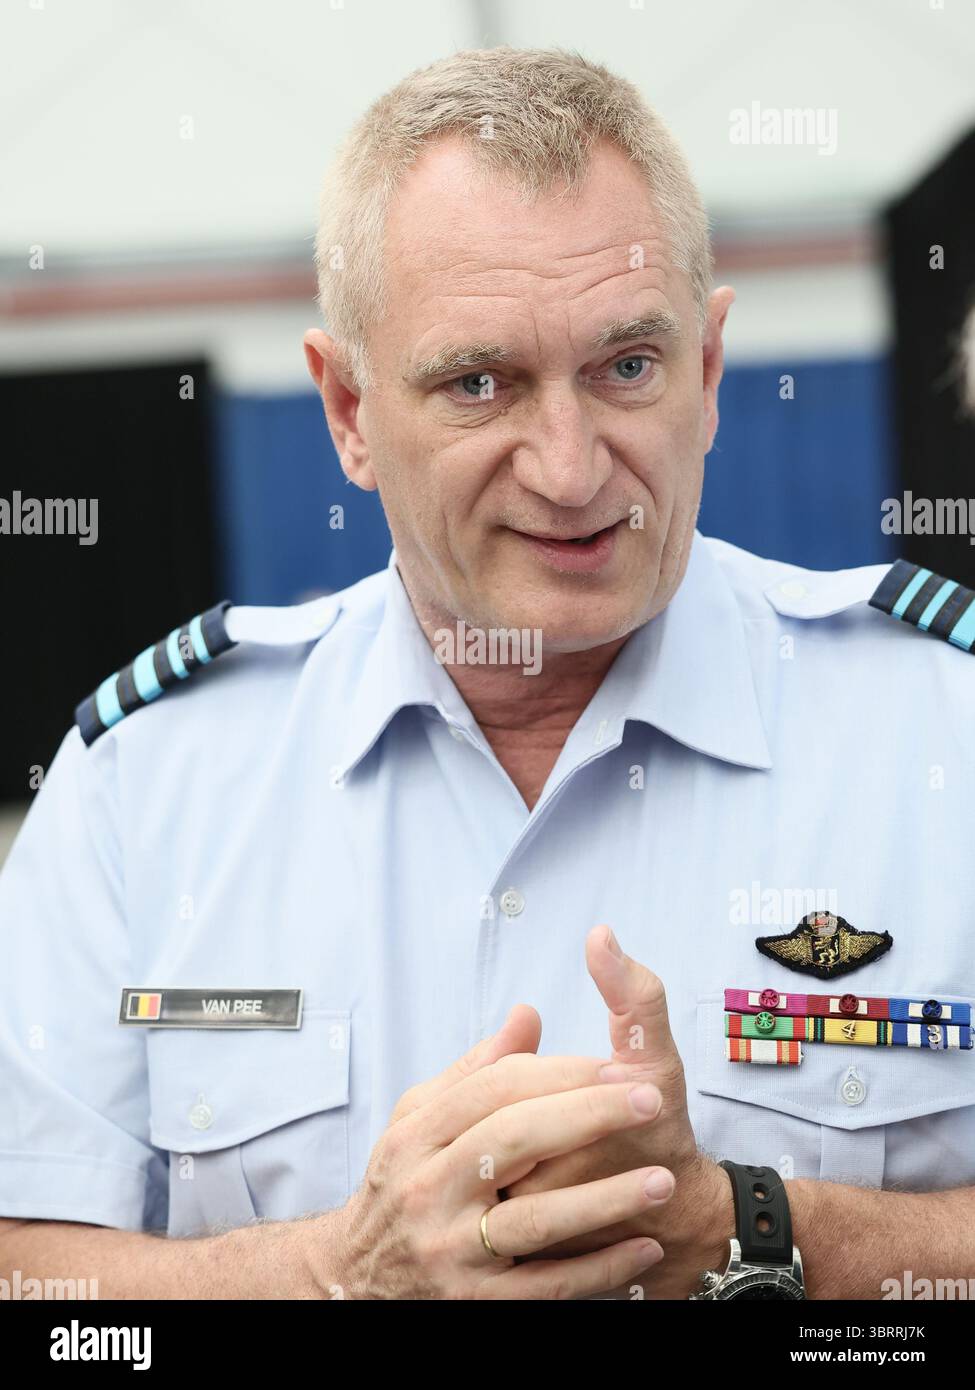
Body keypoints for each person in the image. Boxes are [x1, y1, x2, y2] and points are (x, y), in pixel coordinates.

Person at [2, 46, 974, 1301]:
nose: (570, 470)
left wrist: (762, 1229)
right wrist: (335, 1274)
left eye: (628, 367)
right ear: (348, 410)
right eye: (480, 383)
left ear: (712, 370)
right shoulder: (150, 789)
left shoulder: (942, 732)